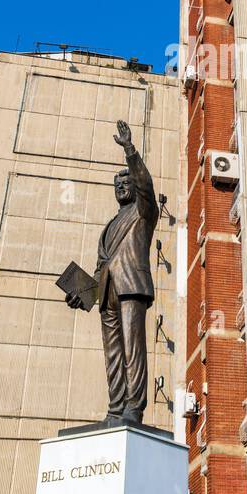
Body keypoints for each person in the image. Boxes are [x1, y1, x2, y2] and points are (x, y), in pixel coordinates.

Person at [66, 120, 159, 425]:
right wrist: (82, 294)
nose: (121, 187)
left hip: (132, 288)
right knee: (113, 355)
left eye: (126, 183)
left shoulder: (143, 213)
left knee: (133, 350)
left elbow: (146, 185)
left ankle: (134, 406)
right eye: (117, 185)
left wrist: (130, 151)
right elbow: (99, 266)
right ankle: (116, 406)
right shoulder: (108, 227)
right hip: (106, 294)